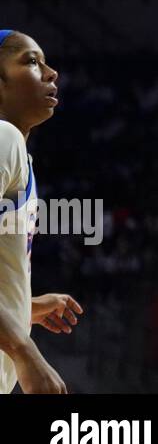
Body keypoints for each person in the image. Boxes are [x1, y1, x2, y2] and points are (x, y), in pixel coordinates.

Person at [0, 29, 83, 394]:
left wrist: (24, 306)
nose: (52, 73)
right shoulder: (4, 138)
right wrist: (24, 349)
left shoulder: (17, 150)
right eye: (32, 62)